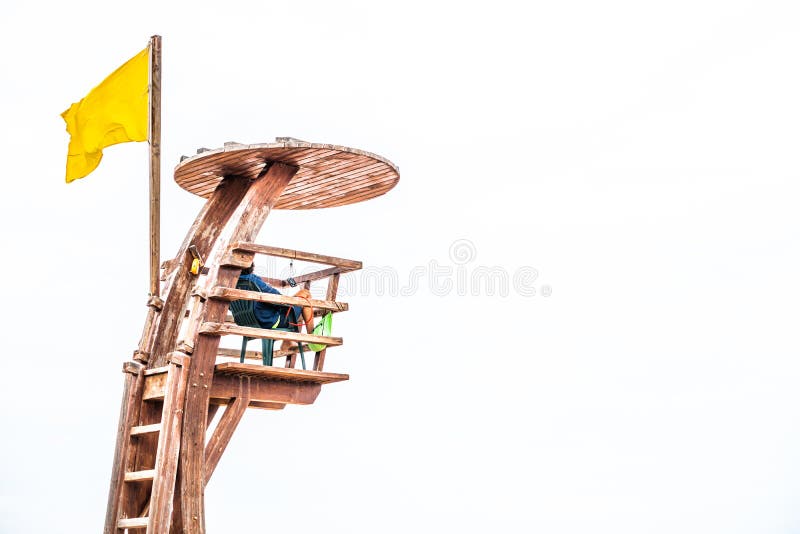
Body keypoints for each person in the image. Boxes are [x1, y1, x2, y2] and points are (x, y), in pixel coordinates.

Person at [237, 263, 315, 351]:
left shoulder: (233, 283)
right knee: (305, 294)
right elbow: (278, 298)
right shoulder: (252, 280)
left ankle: (288, 341)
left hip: (246, 323)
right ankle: (313, 338)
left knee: (296, 308)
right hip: (268, 322)